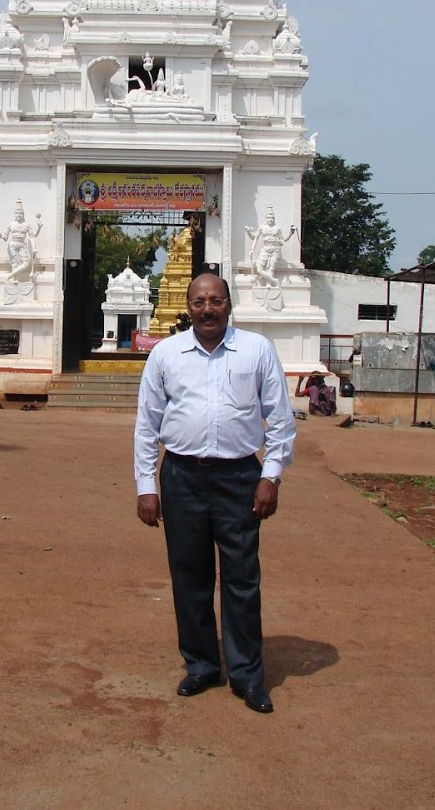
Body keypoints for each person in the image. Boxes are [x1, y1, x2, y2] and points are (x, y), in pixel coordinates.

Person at [133, 273, 295, 714]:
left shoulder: (257, 350)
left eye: (216, 301)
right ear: (187, 307)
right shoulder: (166, 354)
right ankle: (202, 664)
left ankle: (246, 674)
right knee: (190, 576)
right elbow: (147, 425)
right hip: (182, 476)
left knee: (242, 578)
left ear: (229, 304)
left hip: (239, 477)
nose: (208, 309)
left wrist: (271, 476)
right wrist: (147, 486)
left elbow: (280, 420)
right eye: (200, 301)